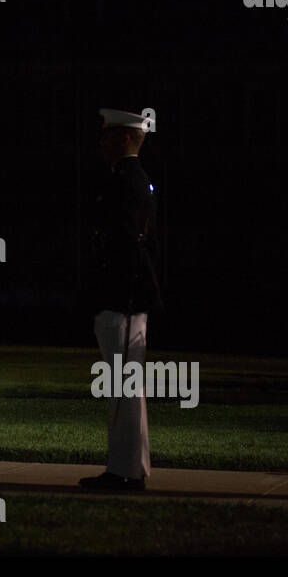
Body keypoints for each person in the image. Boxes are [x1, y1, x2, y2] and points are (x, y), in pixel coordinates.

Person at [79, 108, 161, 491]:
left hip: (121, 297)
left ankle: (124, 472)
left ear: (125, 138)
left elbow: (126, 245)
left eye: (109, 135)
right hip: (125, 295)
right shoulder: (132, 180)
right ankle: (130, 467)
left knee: (122, 388)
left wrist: (119, 291)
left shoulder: (124, 182)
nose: (102, 142)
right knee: (127, 387)